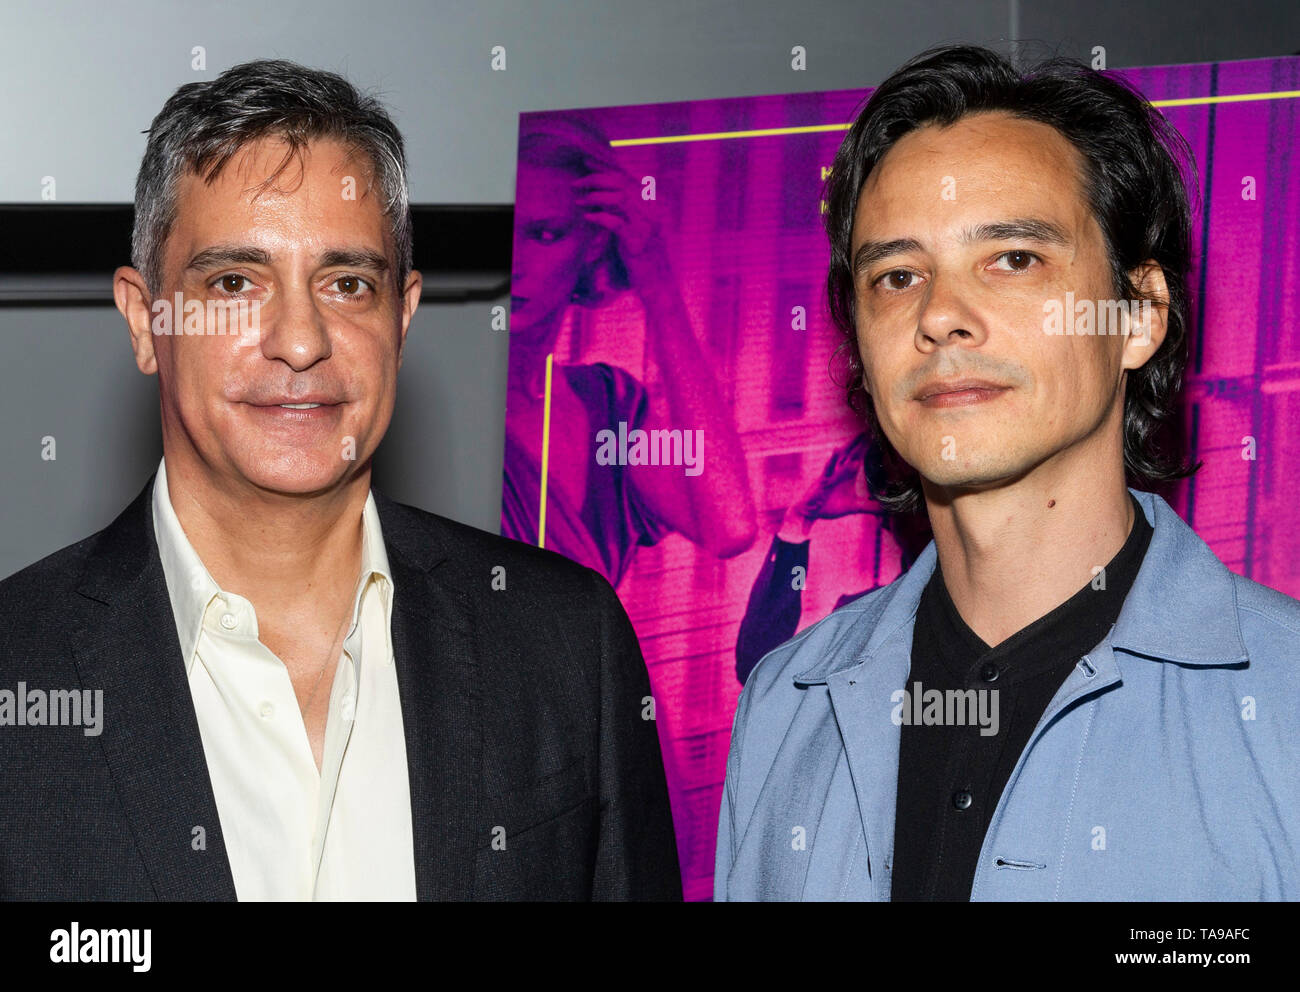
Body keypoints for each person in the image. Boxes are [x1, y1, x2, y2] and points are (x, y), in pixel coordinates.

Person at [0, 59, 680, 901]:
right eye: (235, 283)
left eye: (347, 283)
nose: (299, 340)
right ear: (147, 322)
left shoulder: (566, 645)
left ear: (402, 316)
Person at [716, 44, 1300, 901]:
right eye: (897, 275)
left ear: (1137, 316)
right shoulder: (785, 704)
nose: (941, 316)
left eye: (1014, 260)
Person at [502, 116, 756, 587]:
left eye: (545, 234)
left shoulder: (608, 405)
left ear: (592, 245)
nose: (512, 261)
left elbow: (731, 526)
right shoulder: (428, 394)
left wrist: (657, 281)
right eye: (502, 228)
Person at [734, 433, 930, 684]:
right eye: (898, 494)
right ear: (885, 518)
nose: (920, 507)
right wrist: (799, 521)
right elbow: (758, 665)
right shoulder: (866, 615)